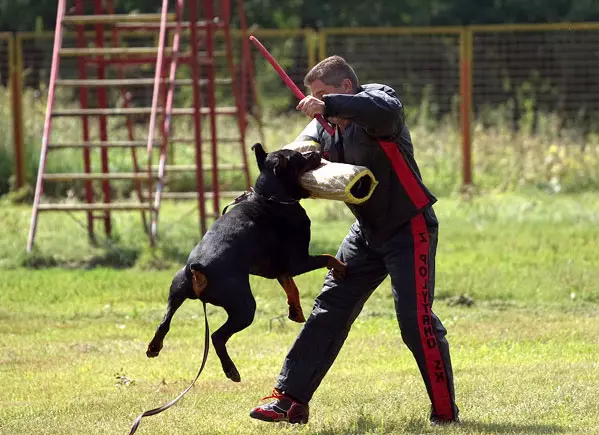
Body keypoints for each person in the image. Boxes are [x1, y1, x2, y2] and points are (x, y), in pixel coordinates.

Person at [249, 55, 460, 426]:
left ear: (345, 88)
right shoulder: (326, 127)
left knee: (415, 322)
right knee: (328, 309)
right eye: (313, 96)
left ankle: (444, 413)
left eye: (322, 94)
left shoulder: (377, 103)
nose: (316, 103)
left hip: (410, 230)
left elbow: (386, 110)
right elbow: (299, 148)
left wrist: (327, 105)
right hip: (365, 234)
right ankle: (289, 401)